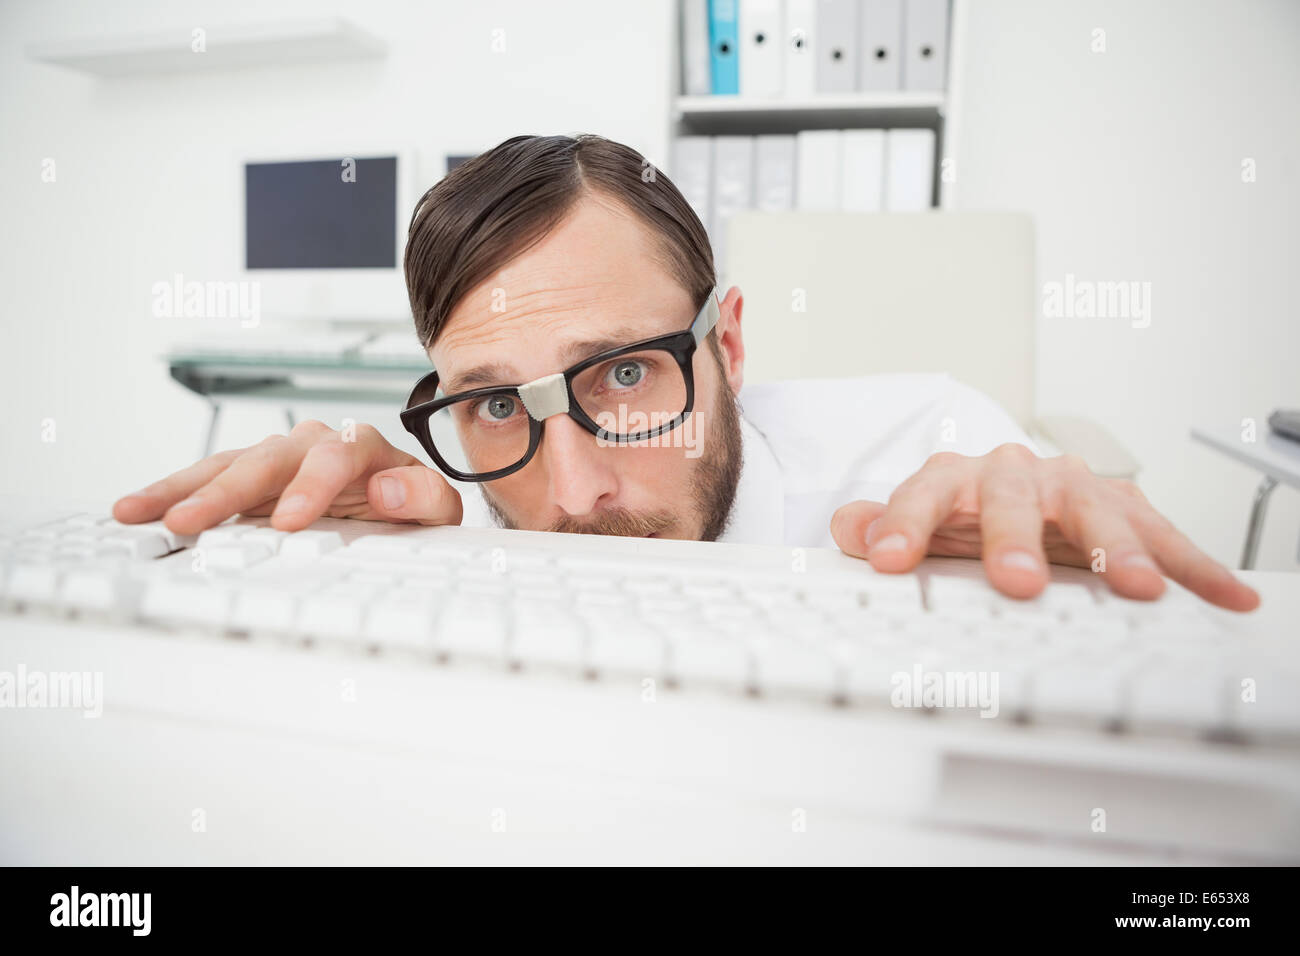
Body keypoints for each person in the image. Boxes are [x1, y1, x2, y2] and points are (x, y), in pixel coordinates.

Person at [113, 134, 1258, 612]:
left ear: (730, 345)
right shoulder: (452, 504)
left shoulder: (925, 449)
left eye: (619, 377)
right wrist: (345, 568)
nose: (569, 500)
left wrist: (1076, 585)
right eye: (499, 400)